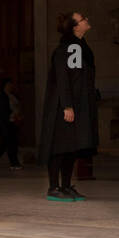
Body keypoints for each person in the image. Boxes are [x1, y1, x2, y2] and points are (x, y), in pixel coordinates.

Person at [39, 11, 99, 201]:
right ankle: (53, 187)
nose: (87, 20)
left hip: (77, 104)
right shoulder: (69, 47)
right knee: (59, 146)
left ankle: (65, 186)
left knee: (72, 146)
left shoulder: (80, 46)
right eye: (83, 19)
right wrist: (67, 105)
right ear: (75, 27)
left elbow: (81, 77)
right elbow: (64, 78)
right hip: (64, 106)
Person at [0, 77, 24, 171]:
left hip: (13, 123)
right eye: (9, 84)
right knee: (10, 144)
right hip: (6, 124)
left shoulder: (12, 96)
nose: (11, 86)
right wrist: (12, 115)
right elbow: (3, 111)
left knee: (8, 144)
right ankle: (13, 162)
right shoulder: (2, 96)